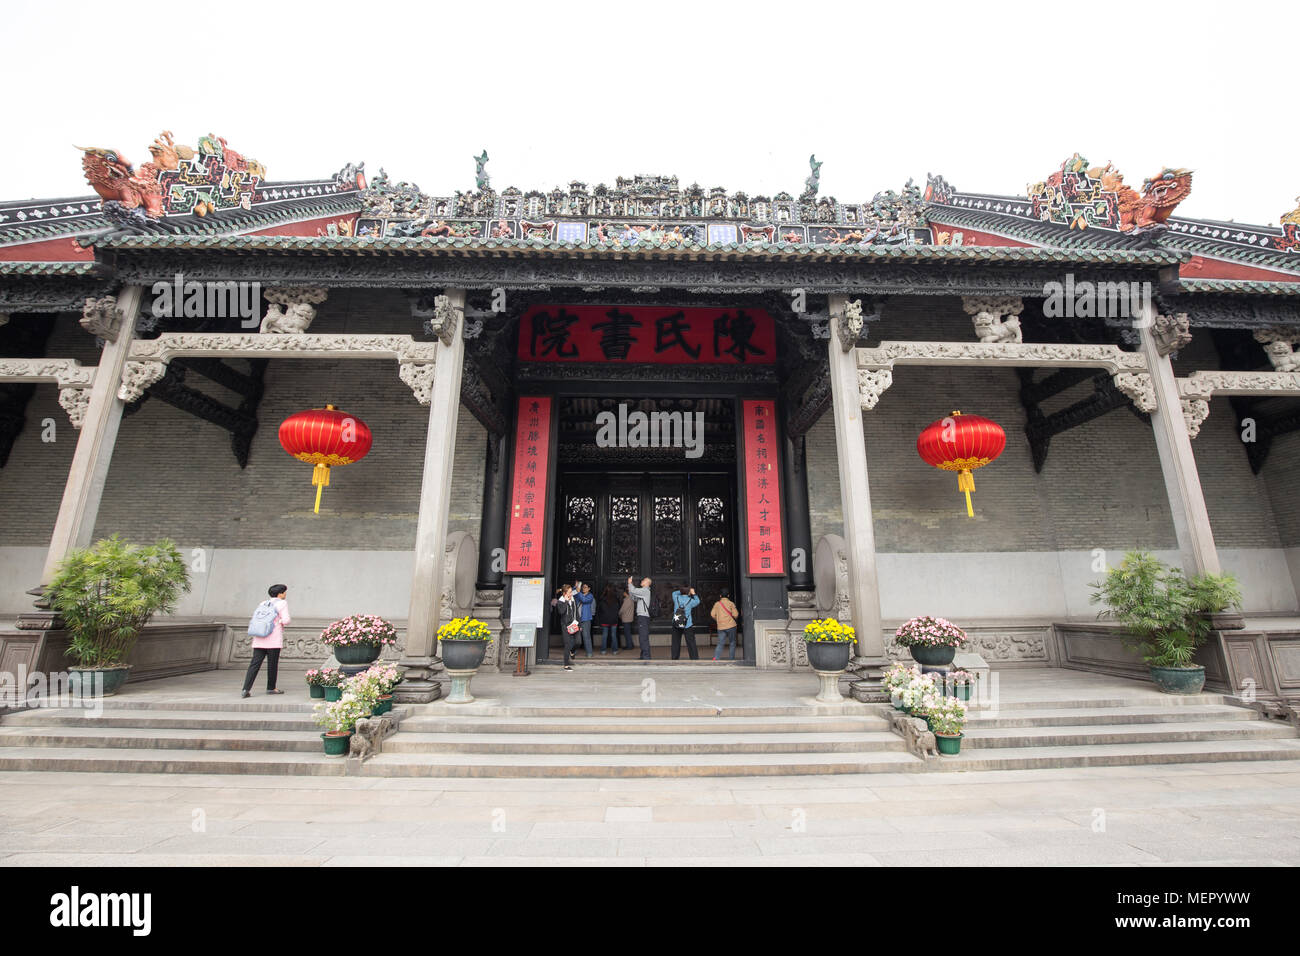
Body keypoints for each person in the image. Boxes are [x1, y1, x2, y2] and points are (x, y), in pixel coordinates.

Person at [242, 584, 290, 698]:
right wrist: (279, 622)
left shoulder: (263, 603)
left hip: (259, 637)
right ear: (280, 594)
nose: (285, 594)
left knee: (254, 664)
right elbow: (287, 620)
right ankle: (271, 687)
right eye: (284, 592)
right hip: (273, 639)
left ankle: (245, 689)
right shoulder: (282, 603)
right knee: (272, 664)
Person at [670, 584, 701, 660]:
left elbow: (674, 593)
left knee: (675, 642)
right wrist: (693, 593)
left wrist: (682, 590)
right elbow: (698, 601)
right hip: (687, 624)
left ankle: (675, 657)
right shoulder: (691, 601)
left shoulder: (676, 597)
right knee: (691, 642)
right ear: (688, 592)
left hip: (676, 623)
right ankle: (694, 658)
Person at [627, 575, 654, 660]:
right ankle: (643, 655)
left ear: (648, 583)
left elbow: (633, 590)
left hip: (643, 617)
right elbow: (633, 597)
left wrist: (630, 583)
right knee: (642, 636)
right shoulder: (643, 592)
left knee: (643, 637)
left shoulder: (645, 590)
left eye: (644, 580)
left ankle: (646, 656)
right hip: (642, 616)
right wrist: (630, 588)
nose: (642, 581)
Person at [711, 588, 740, 661]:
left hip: (721, 627)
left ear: (720, 596)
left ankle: (716, 658)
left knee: (720, 643)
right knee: (732, 643)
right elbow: (736, 615)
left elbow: (712, 614)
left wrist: (718, 620)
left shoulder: (717, 604)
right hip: (731, 626)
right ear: (728, 595)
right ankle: (731, 659)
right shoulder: (731, 603)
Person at [556, 583, 579, 671]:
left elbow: (576, 613)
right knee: (567, 644)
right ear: (565, 593)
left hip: (574, 624)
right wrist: (566, 601)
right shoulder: (561, 601)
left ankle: (572, 652)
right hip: (566, 626)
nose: (571, 594)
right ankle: (566, 665)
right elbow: (561, 612)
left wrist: (579, 624)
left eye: (571, 592)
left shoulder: (573, 600)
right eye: (569, 592)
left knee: (578, 642)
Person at [597, 585, 621, 654]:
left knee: (605, 635)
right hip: (614, 620)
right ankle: (615, 650)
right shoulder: (616, 600)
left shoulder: (602, 600)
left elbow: (599, 611)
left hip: (605, 620)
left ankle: (603, 650)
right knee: (614, 635)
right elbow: (618, 610)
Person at [575, 581, 595, 658]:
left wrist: (578, 592)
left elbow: (584, 600)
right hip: (577, 619)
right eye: (583, 587)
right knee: (576, 636)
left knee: (586, 636)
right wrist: (576, 587)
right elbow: (573, 594)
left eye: (585, 587)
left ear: (589, 589)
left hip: (586, 619)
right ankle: (574, 651)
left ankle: (589, 652)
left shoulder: (590, 596)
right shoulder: (578, 594)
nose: (583, 588)